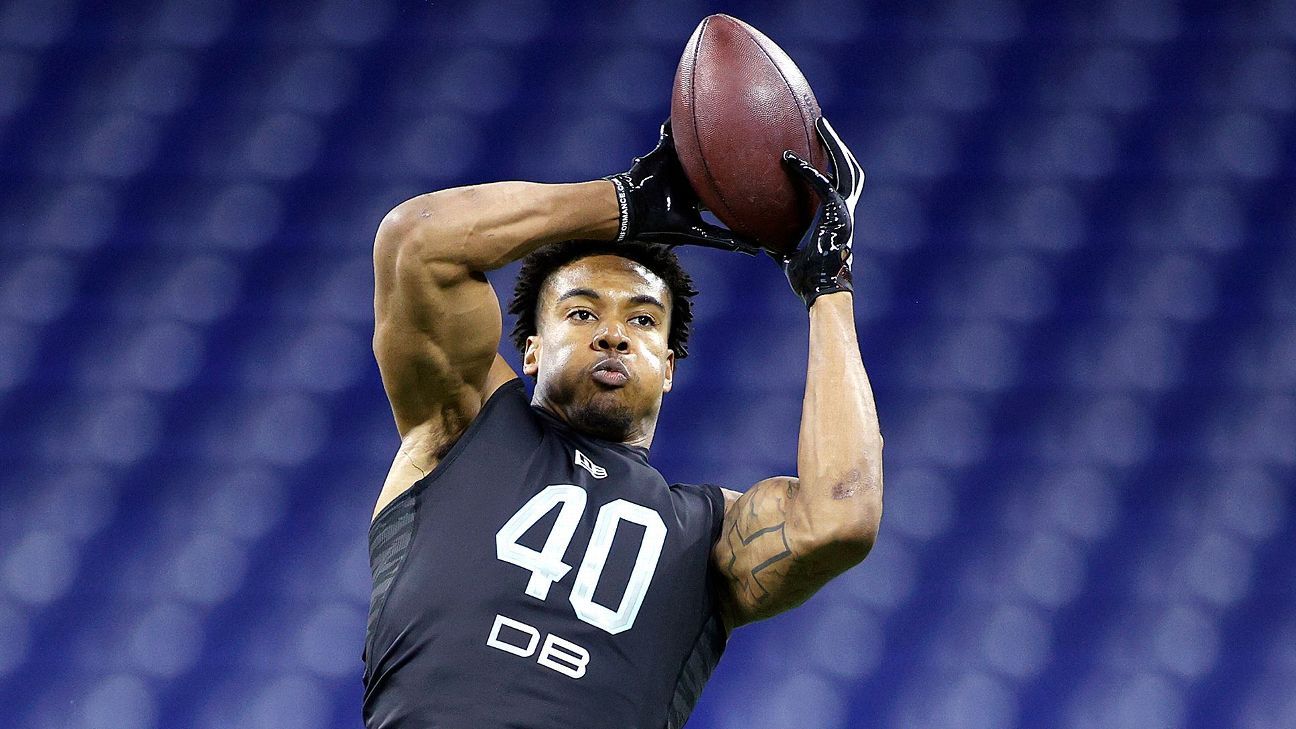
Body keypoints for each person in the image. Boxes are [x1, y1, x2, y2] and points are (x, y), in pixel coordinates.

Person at [362, 117, 883, 729]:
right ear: (529, 349)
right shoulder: (464, 427)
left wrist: (828, 287)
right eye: (582, 313)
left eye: (641, 320)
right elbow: (416, 243)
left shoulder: (709, 535)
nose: (613, 333)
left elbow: (842, 514)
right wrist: (624, 203)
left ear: (667, 367)